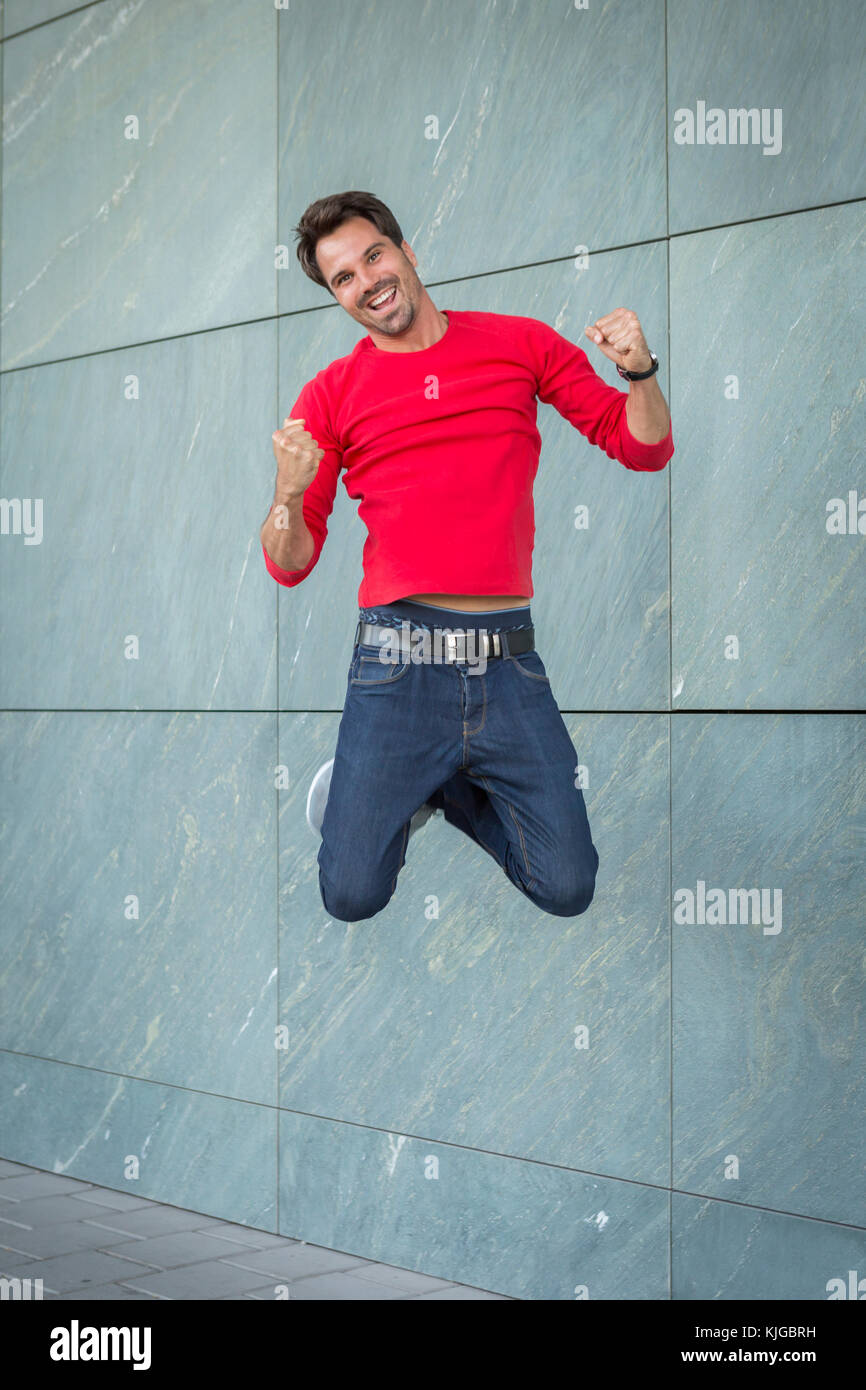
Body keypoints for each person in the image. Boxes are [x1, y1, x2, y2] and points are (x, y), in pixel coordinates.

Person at [260, 191, 674, 923]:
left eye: (373, 256)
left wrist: (639, 373)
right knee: (351, 895)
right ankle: (410, 776)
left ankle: (441, 785)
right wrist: (288, 496)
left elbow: (641, 446)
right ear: (335, 296)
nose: (366, 281)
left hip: (507, 665)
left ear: (407, 251)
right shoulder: (329, 396)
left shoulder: (520, 344)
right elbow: (289, 563)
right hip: (396, 665)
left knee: (567, 884)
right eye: (343, 279)